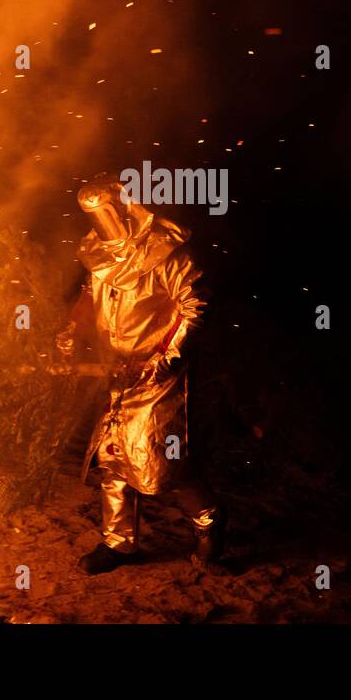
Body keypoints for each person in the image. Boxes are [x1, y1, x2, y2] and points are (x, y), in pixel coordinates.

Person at [58, 175, 224, 573]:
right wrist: (70, 329)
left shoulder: (167, 254)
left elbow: (194, 309)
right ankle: (119, 543)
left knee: (161, 465)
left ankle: (210, 521)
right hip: (117, 372)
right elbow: (88, 297)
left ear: (127, 207)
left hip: (157, 375)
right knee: (111, 458)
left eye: (108, 214)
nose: (104, 225)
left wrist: (161, 359)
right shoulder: (99, 254)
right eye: (95, 217)